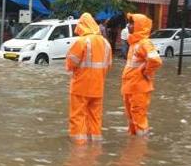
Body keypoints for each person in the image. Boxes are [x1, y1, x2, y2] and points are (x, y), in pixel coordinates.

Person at [67, 13, 112, 145]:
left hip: (80, 87)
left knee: (78, 117)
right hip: (98, 87)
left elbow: (70, 63)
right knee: (95, 117)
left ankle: (79, 147)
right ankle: (95, 146)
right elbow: (108, 66)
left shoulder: (82, 41)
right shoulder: (106, 43)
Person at [121, 13, 163, 136]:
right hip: (130, 87)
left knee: (138, 118)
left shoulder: (144, 43)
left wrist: (146, 72)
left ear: (139, 26)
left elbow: (155, 60)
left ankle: (140, 144)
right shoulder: (134, 44)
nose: (129, 25)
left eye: (132, 23)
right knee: (131, 118)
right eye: (129, 23)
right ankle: (133, 143)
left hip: (138, 88)